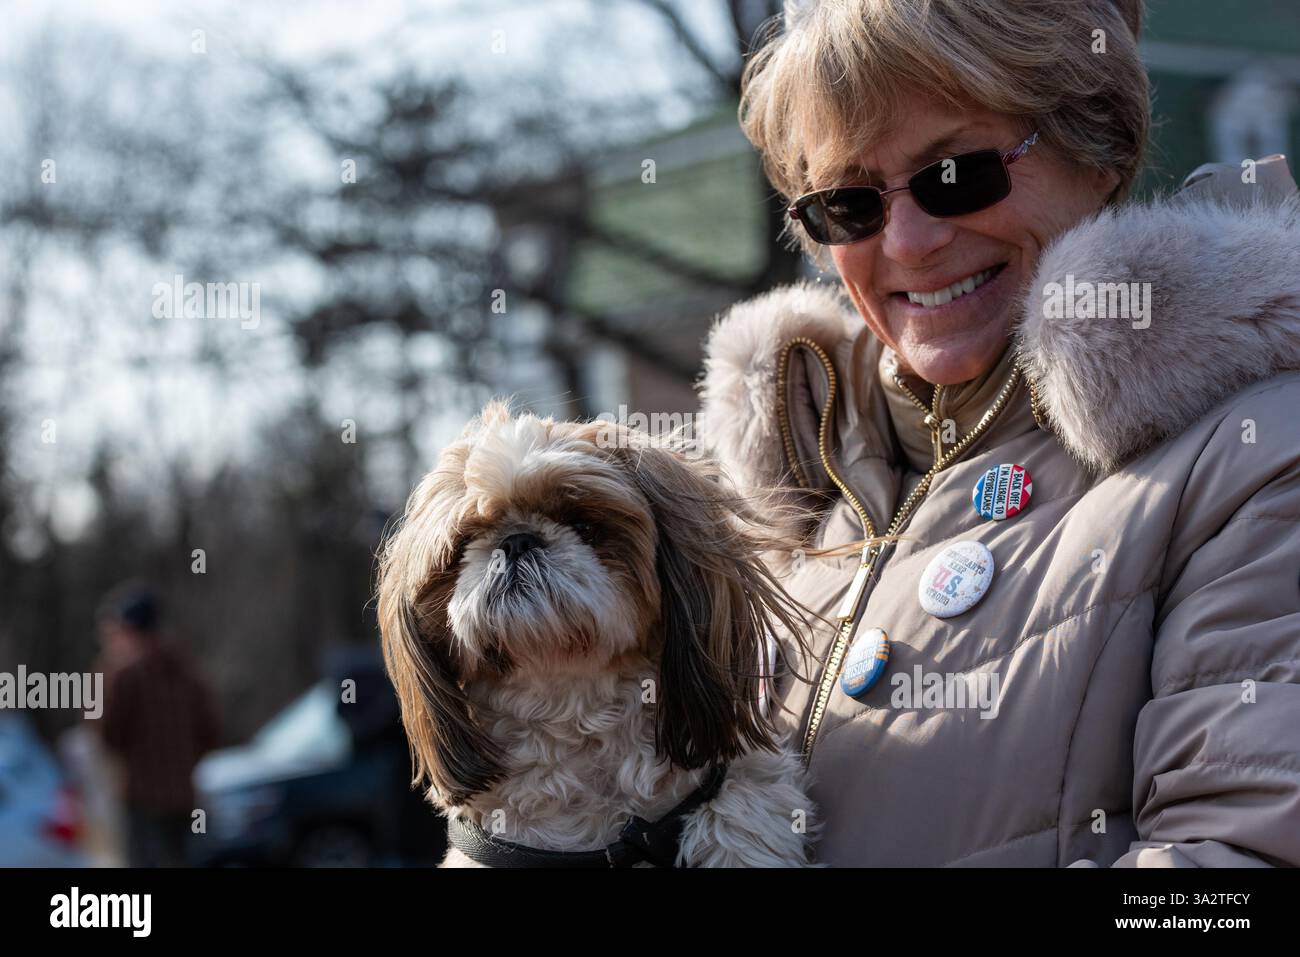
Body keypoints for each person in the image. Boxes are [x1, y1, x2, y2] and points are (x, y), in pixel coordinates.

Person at [698, 0, 1300, 866]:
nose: (908, 241)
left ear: (1097, 145)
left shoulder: (1256, 457)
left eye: (956, 175)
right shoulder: (788, 516)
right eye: (850, 205)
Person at [97, 583, 220, 867]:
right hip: (183, 797)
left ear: (130, 631)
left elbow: (106, 732)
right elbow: (211, 732)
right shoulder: (187, 671)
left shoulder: (123, 675)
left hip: (141, 801)